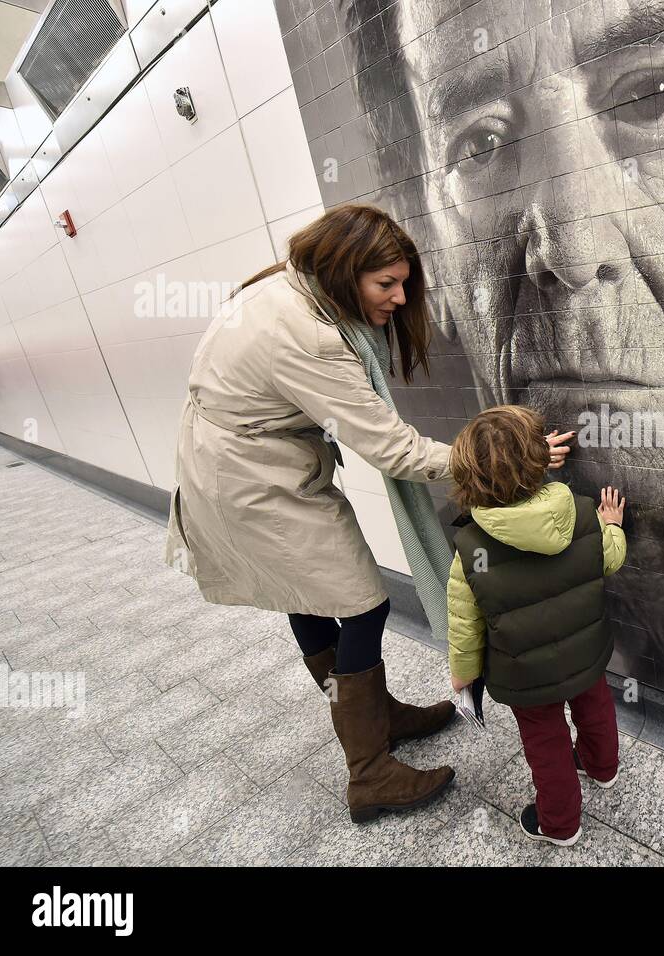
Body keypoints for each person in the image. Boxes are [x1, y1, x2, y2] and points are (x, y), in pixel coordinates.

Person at [162, 204, 575, 824]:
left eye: (404, 282)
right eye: (386, 284)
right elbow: (392, 448)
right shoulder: (308, 338)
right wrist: (505, 456)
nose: (399, 297)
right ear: (344, 270)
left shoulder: (285, 286)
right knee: (362, 601)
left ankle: (376, 719)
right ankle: (369, 772)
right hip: (249, 477)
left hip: (239, 461)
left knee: (306, 592)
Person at [444, 405, 627, 846]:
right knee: (596, 706)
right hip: (586, 653)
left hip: (527, 676)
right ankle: (602, 769)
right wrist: (613, 526)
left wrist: (463, 674)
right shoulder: (583, 514)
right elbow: (611, 559)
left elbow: (465, 626)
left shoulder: (471, 549)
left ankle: (560, 825)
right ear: (542, 460)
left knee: (546, 743)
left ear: (469, 480)